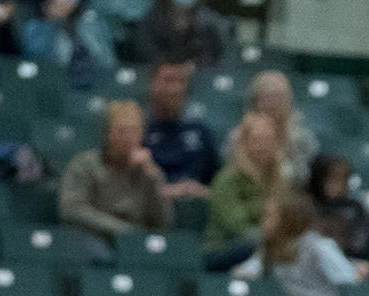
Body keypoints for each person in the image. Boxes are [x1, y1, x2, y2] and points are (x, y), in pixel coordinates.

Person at [232, 190, 366, 296]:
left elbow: (349, 277)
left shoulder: (317, 245)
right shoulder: (271, 247)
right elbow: (246, 272)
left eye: (270, 216)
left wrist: (355, 269)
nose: (264, 222)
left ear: (288, 218)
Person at [58, 100, 173, 256]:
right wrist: (124, 231)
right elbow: (72, 210)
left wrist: (153, 180)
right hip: (95, 239)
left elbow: (165, 224)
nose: (129, 138)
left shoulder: (149, 172)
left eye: (134, 131)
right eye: (122, 131)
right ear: (107, 134)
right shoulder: (83, 165)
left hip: (137, 245)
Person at [205, 111, 283, 272]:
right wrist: (268, 231)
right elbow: (236, 226)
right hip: (224, 248)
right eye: (257, 140)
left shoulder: (278, 179)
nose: (264, 146)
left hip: (264, 245)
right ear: (244, 143)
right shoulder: (227, 179)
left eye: (268, 140)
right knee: (258, 246)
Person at [142, 60, 220, 201]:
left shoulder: (200, 131)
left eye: (181, 81)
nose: (175, 89)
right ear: (153, 84)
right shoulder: (138, 130)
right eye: (168, 80)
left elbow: (218, 186)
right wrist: (167, 191)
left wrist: (199, 191)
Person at [245, 71, 318, 184]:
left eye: (278, 97)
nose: (272, 104)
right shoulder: (240, 137)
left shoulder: (303, 138)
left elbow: (303, 176)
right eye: (266, 98)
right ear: (255, 103)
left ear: (289, 102)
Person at [309, 153, 369, 259]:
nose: (341, 185)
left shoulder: (354, 209)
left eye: (344, 179)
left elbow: (360, 246)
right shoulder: (307, 208)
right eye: (334, 179)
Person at [138, 0, 227, 67]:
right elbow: (145, 46)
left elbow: (212, 52)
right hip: (159, 71)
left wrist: (194, 65)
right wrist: (162, 63)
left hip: (199, 74)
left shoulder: (208, 21)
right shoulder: (153, 18)